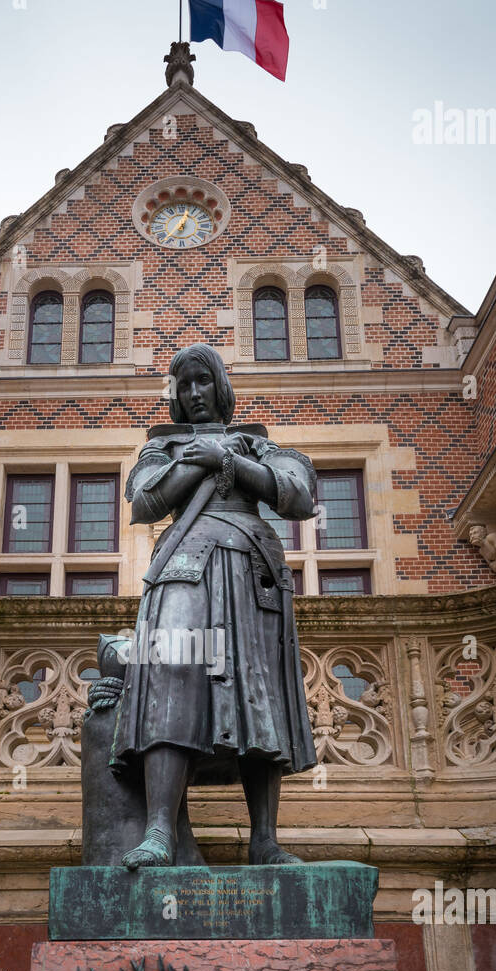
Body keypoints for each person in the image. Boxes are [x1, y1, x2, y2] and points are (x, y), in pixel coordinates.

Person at [110, 342, 318, 868]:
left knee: (259, 693)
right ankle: (158, 830)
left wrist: (229, 459)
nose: (195, 393)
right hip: (184, 565)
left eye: (204, 381)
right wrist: (192, 463)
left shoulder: (257, 444)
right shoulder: (161, 446)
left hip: (252, 571)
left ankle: (264, 839)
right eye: (185, 385)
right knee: (170, 678)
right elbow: (144, 501)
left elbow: (297, 495)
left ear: (221, 386)